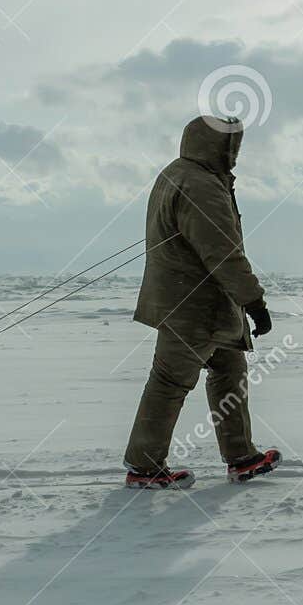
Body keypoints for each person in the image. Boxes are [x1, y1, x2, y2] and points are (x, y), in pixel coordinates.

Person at [122, 113, 281, 489]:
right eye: (233, 145)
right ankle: (144, 467)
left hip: (196, 303)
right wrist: (255, 302)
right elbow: (223, 254)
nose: (237, 152)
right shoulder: (200, 185)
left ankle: (241, 456)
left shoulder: (178, 173)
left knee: (229, 371)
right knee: (170, 381)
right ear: (218, 145)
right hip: (194, 307)